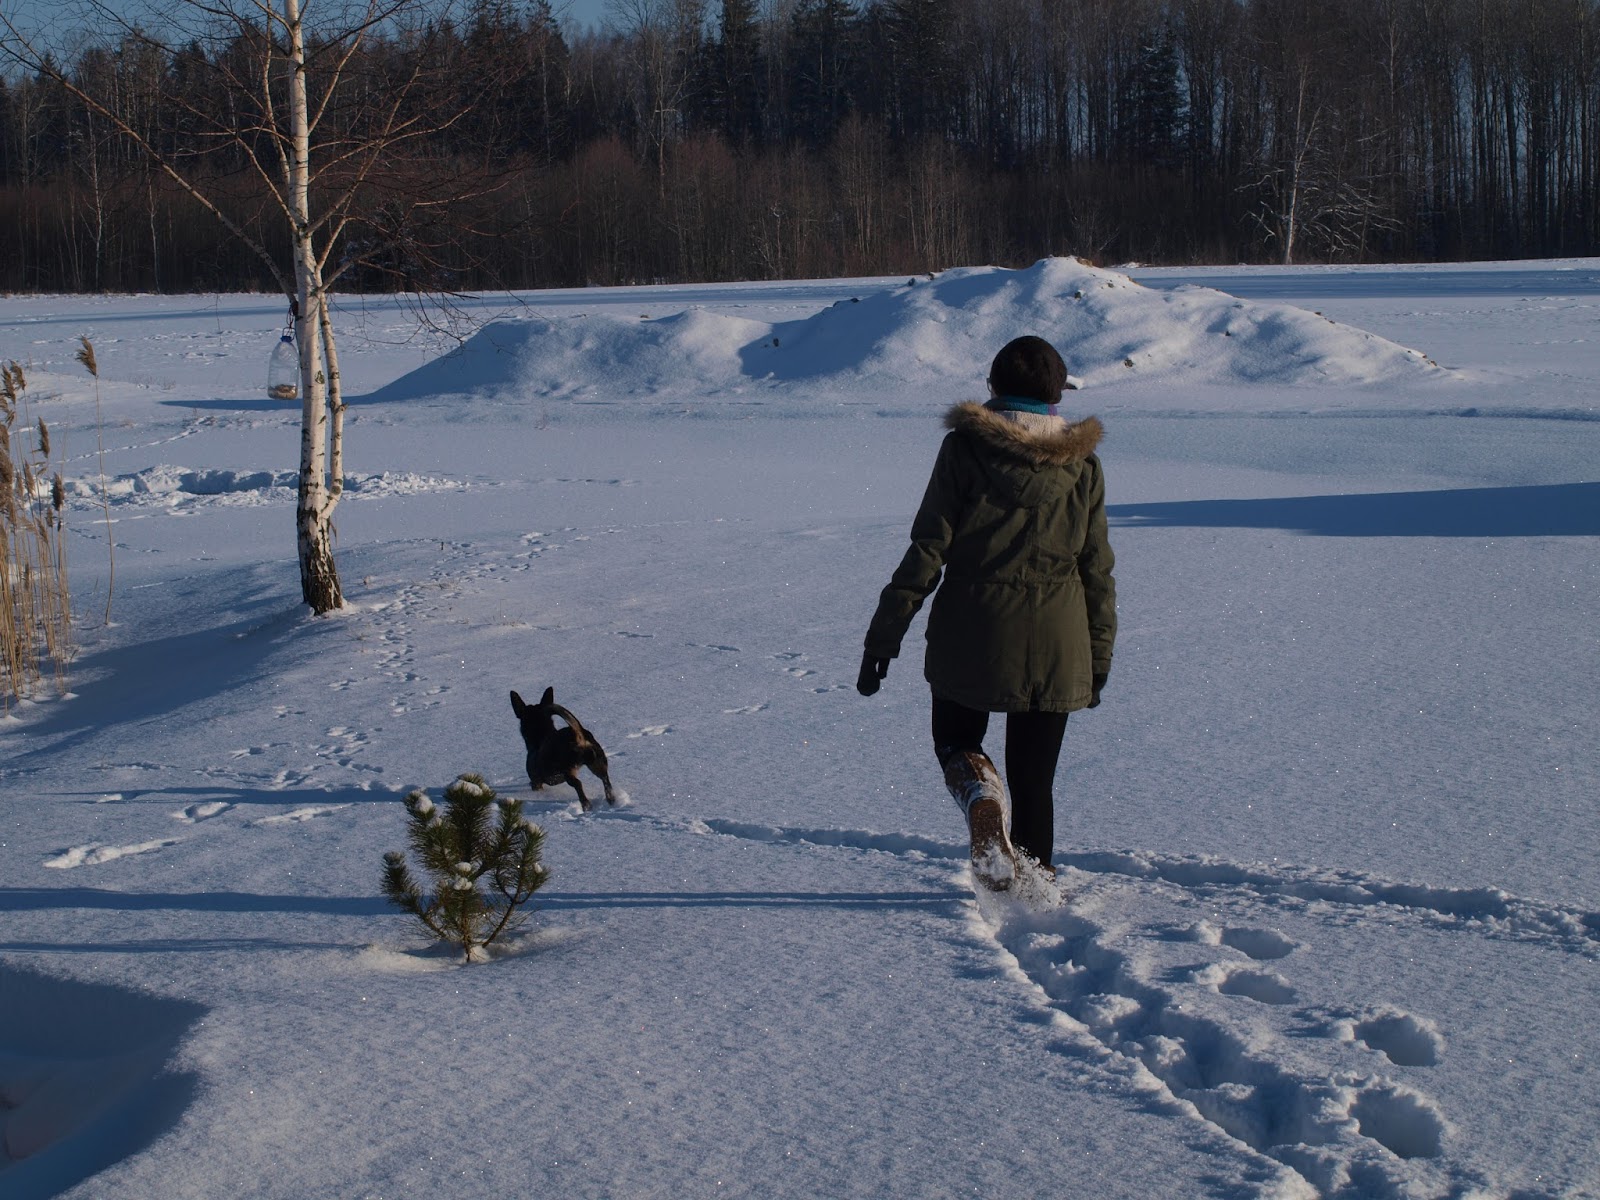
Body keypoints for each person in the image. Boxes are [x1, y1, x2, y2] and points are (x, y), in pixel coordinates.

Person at [856, 335, 1116, 891]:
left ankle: (980, 794)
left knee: (956, 744)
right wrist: (1098, 656)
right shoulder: (1084, 466)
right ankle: (1038, 890)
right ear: (1056, 397)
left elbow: (928, 548)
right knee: (1034, 779)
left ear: (993, 388)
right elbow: (1097, 570)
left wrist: (882, 639)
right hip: (1059, 639)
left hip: (971, 633)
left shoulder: (965, 450)